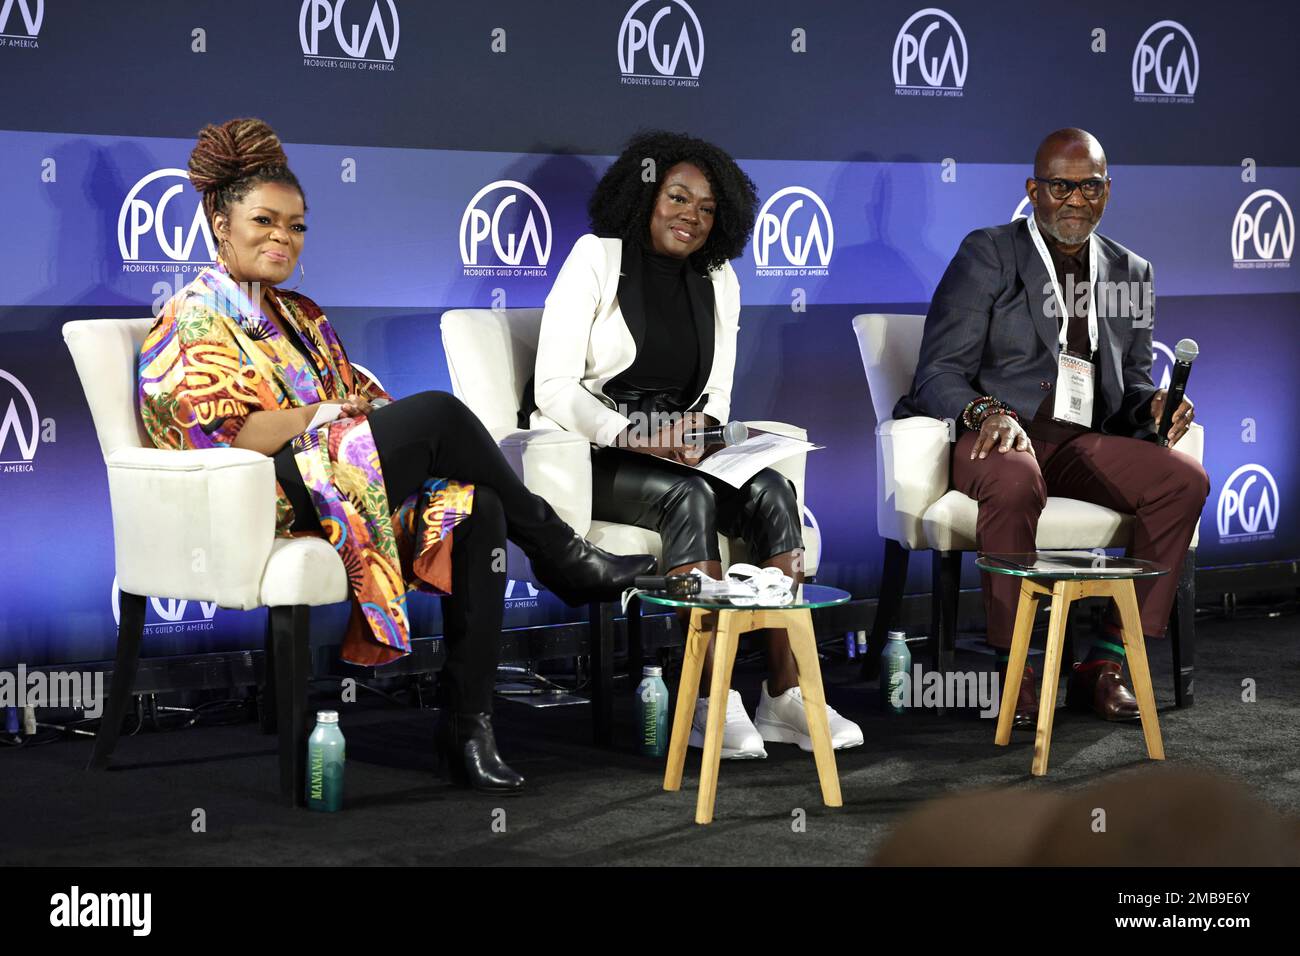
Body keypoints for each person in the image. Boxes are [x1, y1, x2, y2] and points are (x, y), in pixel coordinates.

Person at [138, 118, 655, 794]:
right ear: (219, 219)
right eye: (264, 221)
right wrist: (319, 416)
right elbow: (218, 434)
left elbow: (355, 393)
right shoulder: (191, 315)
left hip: (327, 472)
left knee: (481, 510)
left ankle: (466, 726)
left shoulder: (300, 313)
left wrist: (355, 415)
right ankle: (560, 553)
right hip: (254, 493)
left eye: (296, 226)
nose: (281, 238)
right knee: (438, 412)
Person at [526, 130, 862, 758]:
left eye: (707, 209)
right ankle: (710, 697)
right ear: (645, 196)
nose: (692, 217)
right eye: (678, 198)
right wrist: (632, 434)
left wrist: (707, 436)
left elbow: (718, 396)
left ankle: (785, 696)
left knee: (774, 491)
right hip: (594, 446)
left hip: (678, 444)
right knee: (689, 499)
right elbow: (553, 386)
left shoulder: (718, 278)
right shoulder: (597, 257)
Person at [894, 127, 1209, 727]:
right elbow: (937, 371)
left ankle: (1109, 660)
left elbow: (1135, 382)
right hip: (996, 435)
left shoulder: (1130, 271)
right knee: (1015, 482)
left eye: (1089, 187)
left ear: (1107, 193)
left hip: (1079, 439)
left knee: (1183, 481)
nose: (1075, 199)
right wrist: (987, 414)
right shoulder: (989, 252)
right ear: (1034, 190)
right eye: (1060, 185)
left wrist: (1154, 406)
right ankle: (1016, 665)